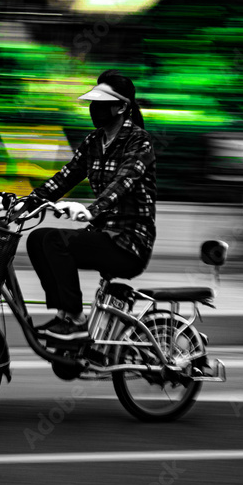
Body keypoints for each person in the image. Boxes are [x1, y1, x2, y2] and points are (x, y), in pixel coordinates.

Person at [22, 70, 157, 342]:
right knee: (37, 239)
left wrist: (91, 210)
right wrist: (30, 201)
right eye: (94, 103)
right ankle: (64, 316)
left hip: (129, 243)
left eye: (103, 103)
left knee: (56, 242)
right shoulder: (94, 141)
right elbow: (66, 176)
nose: (95, 109)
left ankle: (75, 320)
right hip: (102, 237)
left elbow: (124, 182)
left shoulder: (139, 140)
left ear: (121, 107)